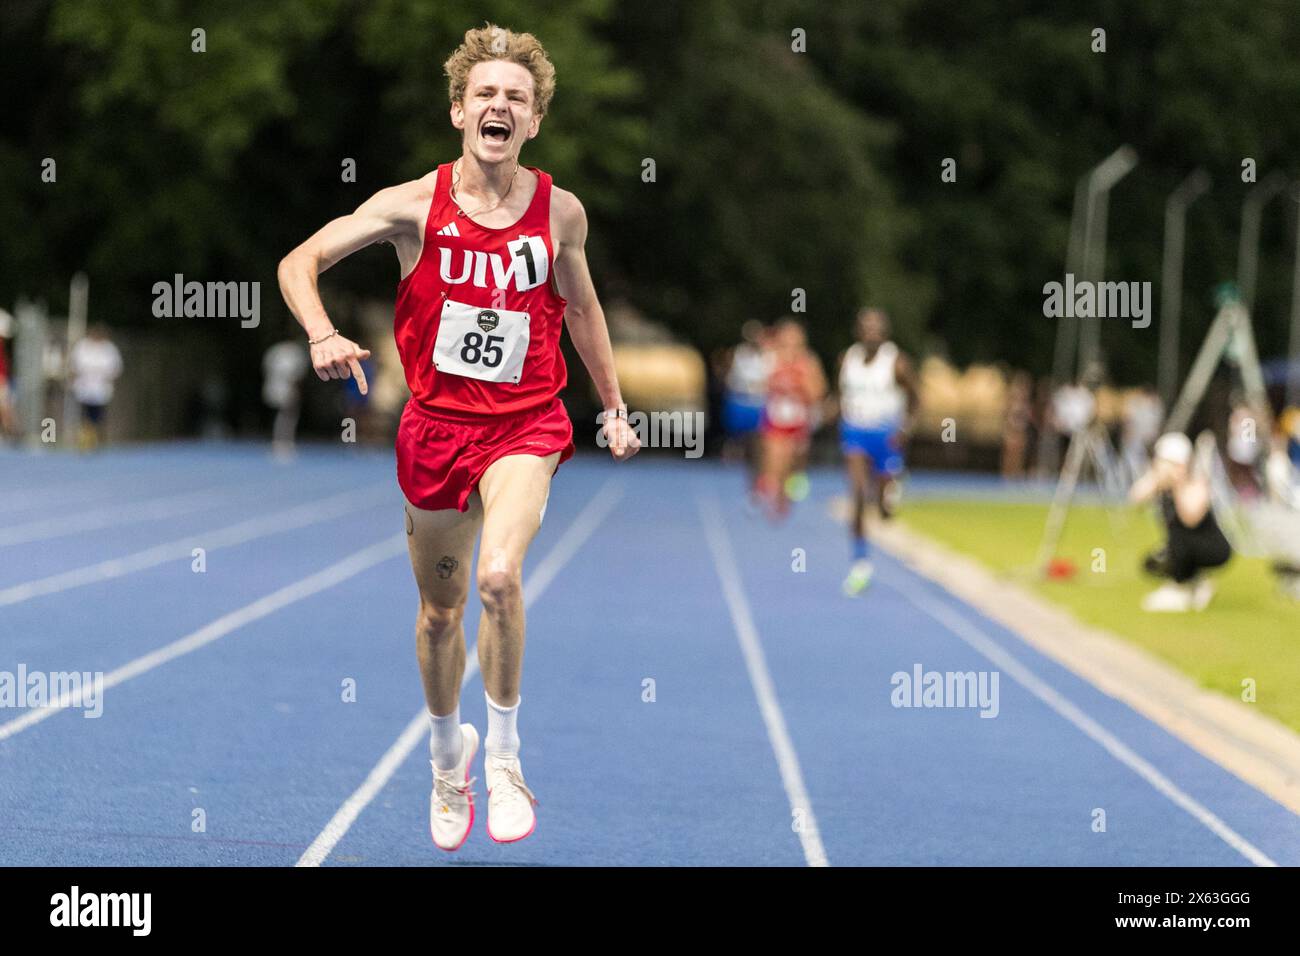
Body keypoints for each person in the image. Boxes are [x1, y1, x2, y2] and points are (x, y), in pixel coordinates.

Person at [277, 23, 640, 852]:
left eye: (517, 97)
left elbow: (581, 311)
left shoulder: (561, 214)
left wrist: (613, 405)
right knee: (440, 615)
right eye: (487, 94)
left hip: (525, 425)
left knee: (500, 578)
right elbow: (298, 262)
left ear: (534, 122)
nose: (500, 106)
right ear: (459, 111)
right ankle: (450, 759)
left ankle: (506, 756)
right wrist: (320, 332)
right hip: (436, 431)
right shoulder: (412, 207)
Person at [838, 308, 918, 596]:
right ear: (858, 331)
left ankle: (893, 485)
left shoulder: (896, 363)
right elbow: (842, 395)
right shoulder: (847, 359)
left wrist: (905, 429)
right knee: (858, 495)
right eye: (866, 328)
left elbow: (915, 396)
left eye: (877, 328)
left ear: (885, 333)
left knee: (884, 511)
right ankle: (860, 565)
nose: (871, 333)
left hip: (886, 436)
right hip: (855, 431)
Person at [1130, 432, 1231, 612]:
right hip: (1182, 546)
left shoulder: (1196, 483)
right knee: (1153, 562)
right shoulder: (1161, 485)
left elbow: (1190, 518)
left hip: (1212, 548)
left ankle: (1180, 588)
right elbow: (1135, 498)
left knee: (1180, 539)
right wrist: (1155, 477)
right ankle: (1197, 583)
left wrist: (1178, 484)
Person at [755, 318, 825, 520]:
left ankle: (786, 488)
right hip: (775, 420)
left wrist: (801, 386)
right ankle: (772, 490)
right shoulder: (772, 359)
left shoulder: (808, 362)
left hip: (799, 421)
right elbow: (761, 387)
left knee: (792, 458)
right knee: (776, 455)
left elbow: (818, 391)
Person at [68, 323, 123, 452]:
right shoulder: (82, 346)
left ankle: (94, 438)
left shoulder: (109, 349)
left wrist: (106, 377)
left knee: (97, 415)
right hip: (84, 388)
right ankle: (86, 439)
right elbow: (73, 366)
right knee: (84, 414)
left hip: (100, 389)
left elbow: (116, 368)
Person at [262, 339, 309, 459]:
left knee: (282, 415)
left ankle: (280, 441)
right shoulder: (296, 352)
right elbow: (298, 375)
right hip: (287, 388)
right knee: (288, 415)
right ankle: (283, 442)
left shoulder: (274, 350)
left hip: (273, 386)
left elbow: (266, 368)